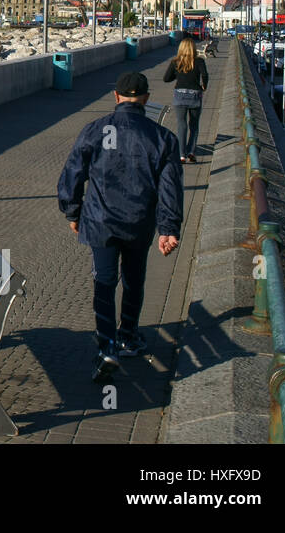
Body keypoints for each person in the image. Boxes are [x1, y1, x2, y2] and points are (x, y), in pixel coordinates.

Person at [57, 71, 183, 382]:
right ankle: (128, 335)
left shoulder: (95, 130)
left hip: (101, 222)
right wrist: (168, 228)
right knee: (134, 279)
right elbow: (170, 190)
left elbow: (73, 173)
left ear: (116, 97)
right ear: (146, 99)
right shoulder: (163, 138)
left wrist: (73, 212)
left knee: (104, 281)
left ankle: (107, 344)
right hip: (139, 223)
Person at [164, 37, 208, 163]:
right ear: (193, 48)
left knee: (181, 124)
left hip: (180, 94)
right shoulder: (199, 61)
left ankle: (181, 154)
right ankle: (191, 151)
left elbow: (166, 78)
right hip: (195, 94)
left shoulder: (175, 62)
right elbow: (205, 74)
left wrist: (178, 75)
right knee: (194, 124)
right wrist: (204, 85)